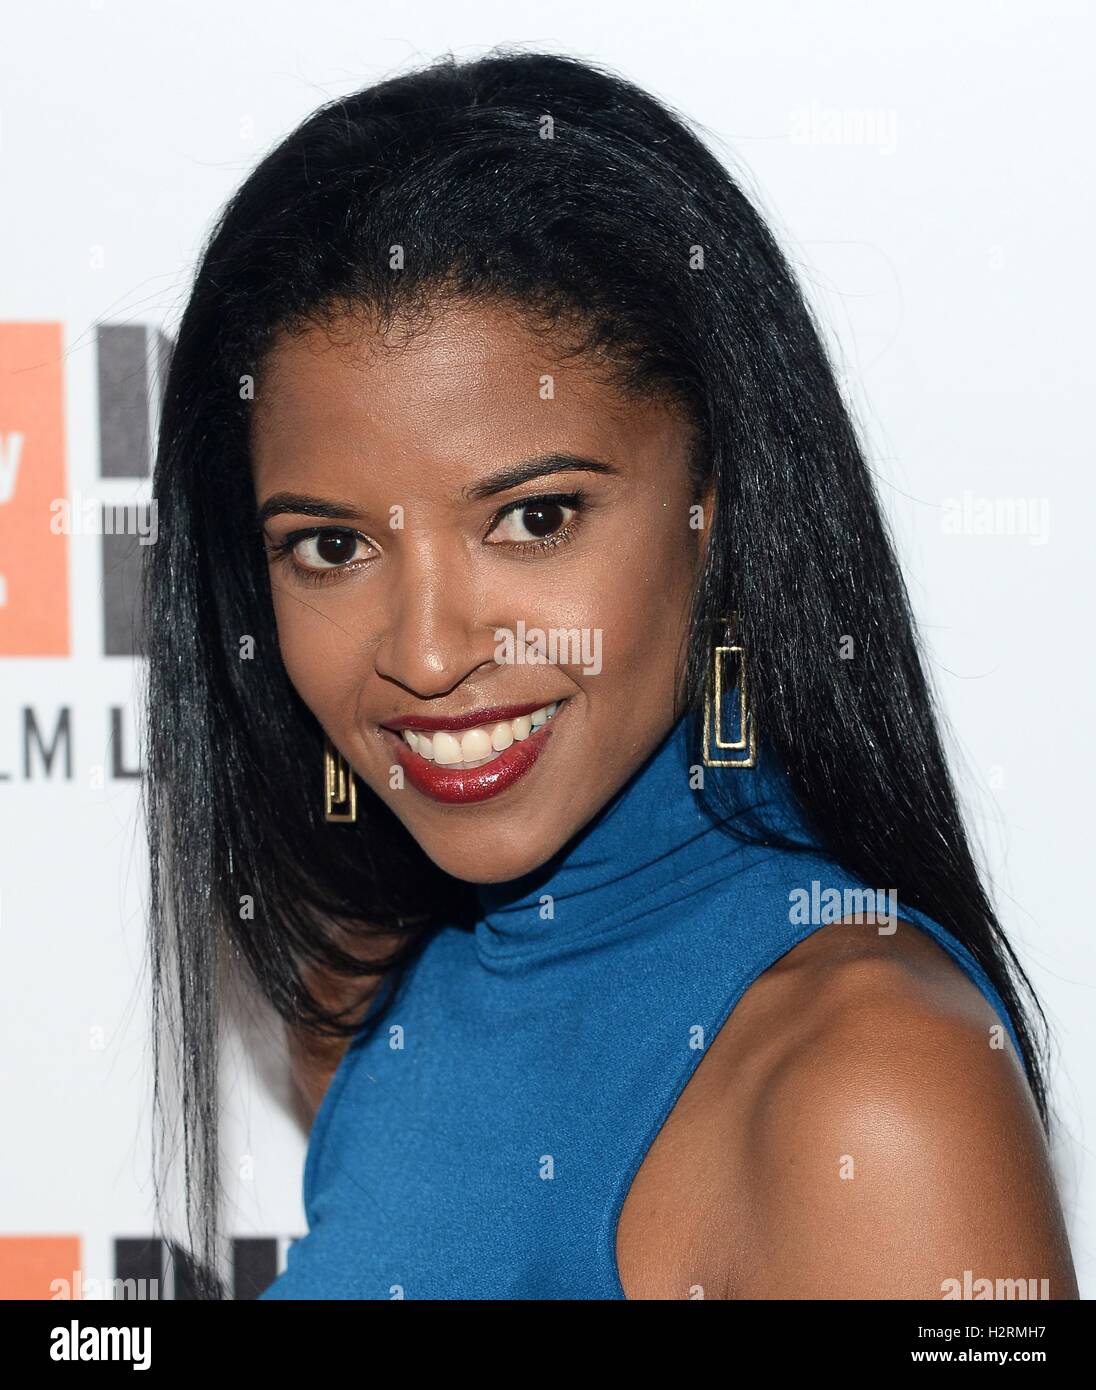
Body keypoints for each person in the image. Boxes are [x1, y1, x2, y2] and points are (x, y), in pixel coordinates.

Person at [143, 48, 1077, 1299]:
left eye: (533, 520)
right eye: (332, 546)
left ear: (717, 498)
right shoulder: (364, 993)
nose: (426, 654)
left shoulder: (877, 1087)